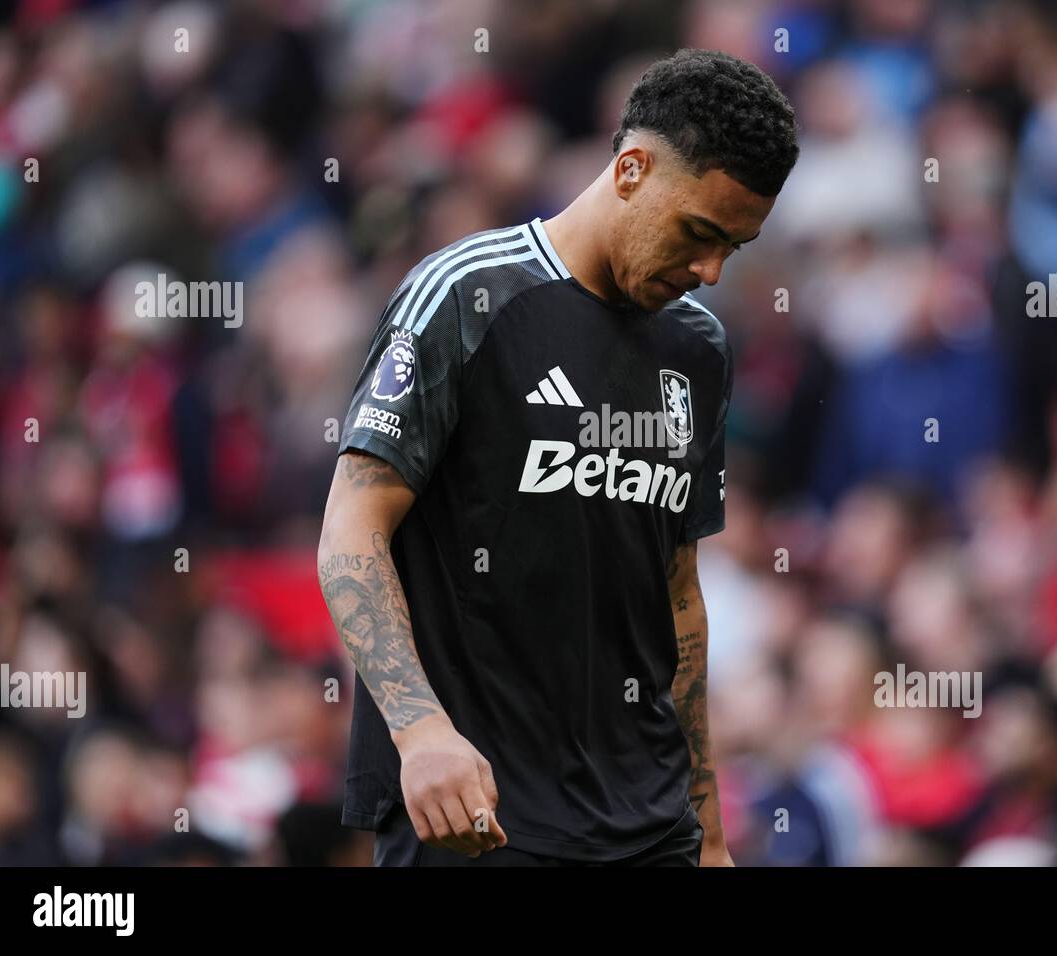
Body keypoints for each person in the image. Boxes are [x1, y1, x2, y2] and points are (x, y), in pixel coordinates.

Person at [317, 48, 799, 866]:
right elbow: (351, 531)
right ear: (632, 169)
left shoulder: (698, 350)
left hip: (649, 822)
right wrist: (421, 728)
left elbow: (678, 597)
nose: (711, 272)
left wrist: (707, 826)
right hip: (479, 813)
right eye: (699, 234)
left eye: (735, 250)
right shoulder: (467, 297)